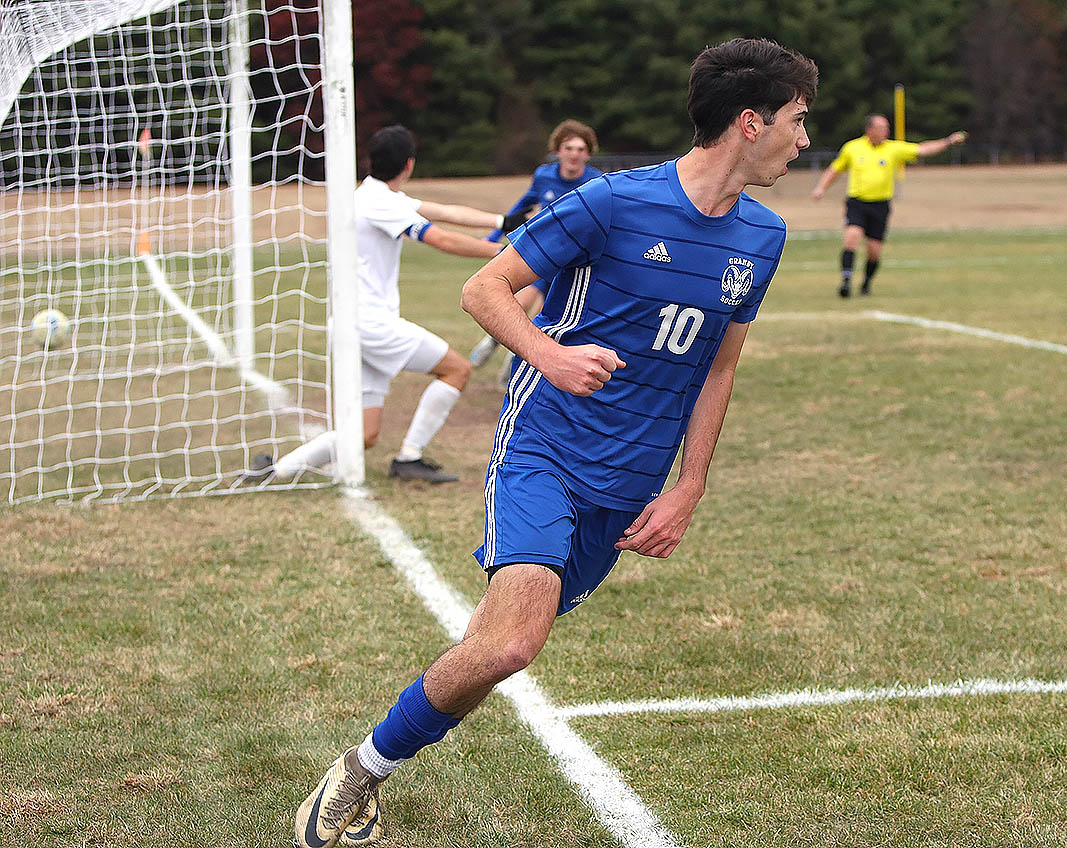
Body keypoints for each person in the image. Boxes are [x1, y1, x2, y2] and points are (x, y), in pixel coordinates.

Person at [292, 38, 818, 848]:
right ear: (751, 123)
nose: (804, 139)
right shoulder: (611, 202)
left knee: (497, 644)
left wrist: (689, 485)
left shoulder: (764, 236)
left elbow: (719, 367)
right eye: (797, 119)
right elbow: (484, 288)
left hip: (631, 483)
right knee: (512, 643)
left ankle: (388, 743)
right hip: (546, 446)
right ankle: (359, 773)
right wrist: (550, 355)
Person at [254, 125, 529, 485]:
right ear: (409, 164)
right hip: (370, 324)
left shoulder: (372, 194)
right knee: (457, 369)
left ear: (371, 160)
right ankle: (409, 457)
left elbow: (443, 211)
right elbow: (441, 238)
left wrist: (501, 221)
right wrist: (507, 253)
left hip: (353, 323)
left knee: (365, 434)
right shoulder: (382, 203)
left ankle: (274, 470)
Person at [468, 119, 602, 388]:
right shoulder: (544, 176)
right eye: (569, 148)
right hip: (543, 254)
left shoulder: (596, 182)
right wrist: (494, 235)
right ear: (558, 150)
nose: (574, 154)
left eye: (580, 149)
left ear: (588, 154)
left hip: (574, 262)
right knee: (518, 302)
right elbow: (524, 204)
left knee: (544, 319)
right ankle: (492, 340)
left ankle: (513, 363)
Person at [811, 113, 967, 297]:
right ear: (869, 130)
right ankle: (846, 281)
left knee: (874, 251)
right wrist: (821, 188)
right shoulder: (852, 148)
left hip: (880, 205)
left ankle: (866, 282)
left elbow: (923, 149)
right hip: (857, 203)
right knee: (852, 238)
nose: (886, 131)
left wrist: (948, 141)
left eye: (886, 127)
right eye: (881, 127)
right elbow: (835, 170)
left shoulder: (893, 149)